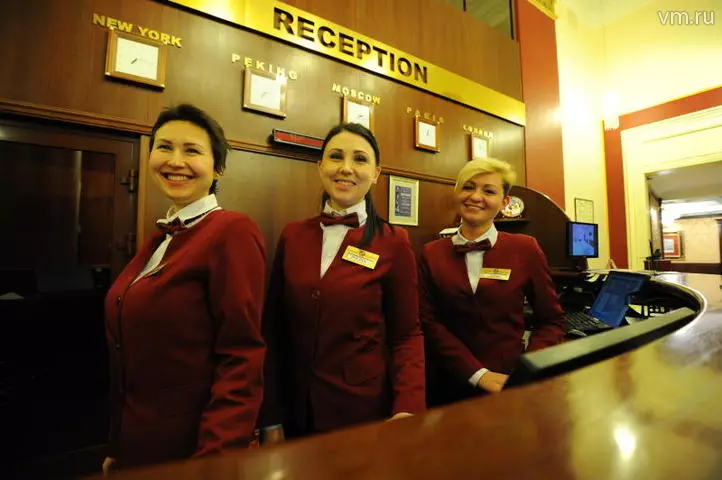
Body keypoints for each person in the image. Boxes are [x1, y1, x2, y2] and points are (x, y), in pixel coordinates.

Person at [103, 104, 266, 471]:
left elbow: (241, 357)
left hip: (193, 450)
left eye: (192, 150)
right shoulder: (161, 236)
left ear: (218, 167)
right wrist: (119, 442)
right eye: (164, 147)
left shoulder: (232, 231)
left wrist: (213, 460)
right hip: (139, 443)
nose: (175, 161)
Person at [260, 123, 425, 443]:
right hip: (295, 411)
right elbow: (273, 330)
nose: (346, 168)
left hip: (361, 410)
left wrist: (408, 406)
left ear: (376, 172)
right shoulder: (293, 235)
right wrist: (269, 417)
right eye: (336, 157)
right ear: (320, 166)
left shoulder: (393, 241)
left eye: (360, 159)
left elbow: (407, 334)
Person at [419, 158, 565, 405]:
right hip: (446, 381)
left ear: (504, 203)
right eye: (468, 187)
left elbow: (551, 321)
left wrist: (527, 371)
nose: (476, 197)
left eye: (488, 191)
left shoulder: (525, 249)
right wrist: (477, 374)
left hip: (509, 384)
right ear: (457, 193)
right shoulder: (430, 252)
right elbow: (427, 322)